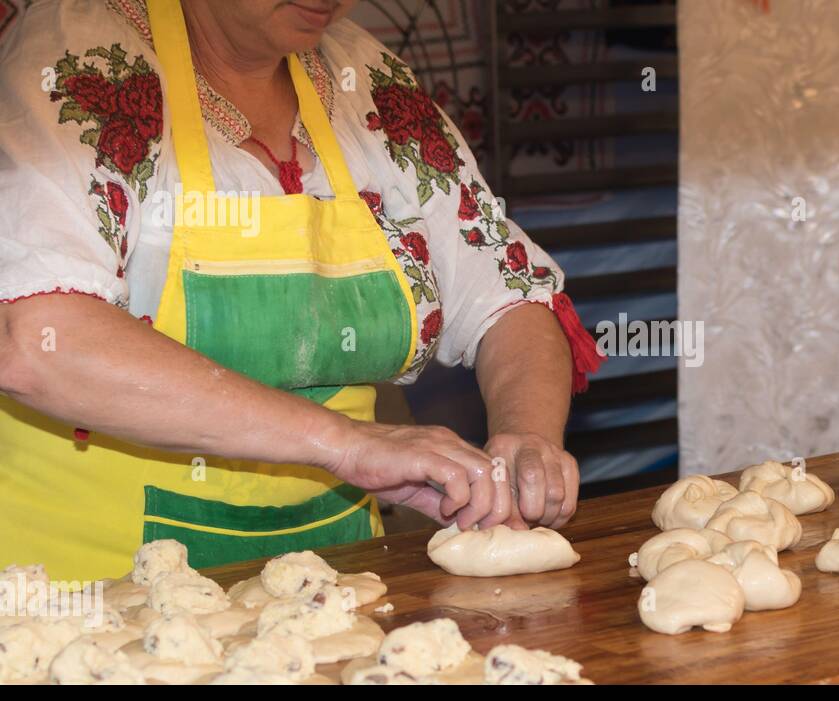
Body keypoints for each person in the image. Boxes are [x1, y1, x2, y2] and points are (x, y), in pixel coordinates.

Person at [0, 0, 603, 580]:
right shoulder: (83, 55)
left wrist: (527, 434)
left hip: (337, 584)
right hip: (96, 590)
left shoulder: (363, 78)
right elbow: (38, 340)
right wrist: (344, 444)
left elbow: (507, 291)